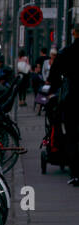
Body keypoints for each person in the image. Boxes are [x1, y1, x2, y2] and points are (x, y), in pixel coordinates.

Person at [47, 23, 79, 185]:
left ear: (74, 33)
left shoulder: (66, 53)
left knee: (72, 136)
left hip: (72, 101)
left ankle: (76, 173)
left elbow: (53, 77)